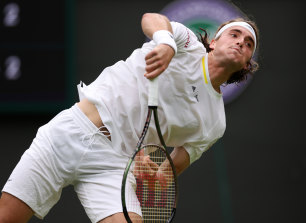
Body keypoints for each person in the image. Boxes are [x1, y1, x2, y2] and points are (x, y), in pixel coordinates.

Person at [0, 12, 259, 223]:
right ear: (213, 42)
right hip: (69, 132)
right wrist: (166, 42)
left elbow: (166, 175)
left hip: (113, 165)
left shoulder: (215, 123)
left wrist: (151, 176)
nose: (240, 42)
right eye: (234, 35)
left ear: (247, 63)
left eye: (248, 44)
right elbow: (152, 18)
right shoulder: (186, 44)